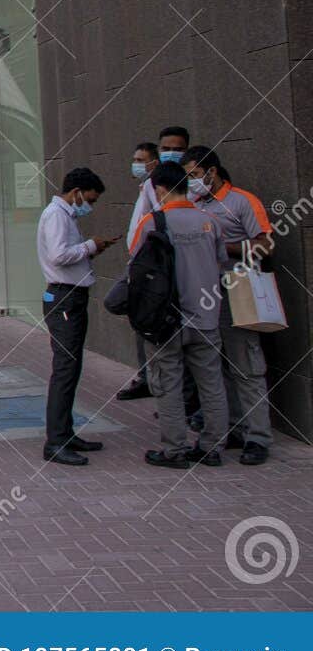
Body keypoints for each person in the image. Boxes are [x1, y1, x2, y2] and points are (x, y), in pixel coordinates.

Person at [128, 161, 231, 468]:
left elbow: (135, 265)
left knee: (168, 385)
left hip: (165, 321)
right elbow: (221, 261)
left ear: (159, 189)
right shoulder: (210, 220)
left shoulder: (151, 222)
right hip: (206, 316)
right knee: (212, 384)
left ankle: (175, 450)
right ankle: (212, 448)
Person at [184, 146, 274, 465]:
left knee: (246, 365)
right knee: (219, 365)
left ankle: (258, 437)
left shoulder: (242, 201)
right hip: (206, 293)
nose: (191, 182)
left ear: (212, 171)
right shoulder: (195, 203)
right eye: (187, 177)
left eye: (195, 175)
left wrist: (224, 247)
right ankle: (236, 427)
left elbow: (265, 244)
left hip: (238, 288)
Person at [37, 167, 118, 466]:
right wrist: (90, 245)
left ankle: (65, 433)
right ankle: (56, 442)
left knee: (71, 368)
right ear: (76, 193)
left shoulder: (64, 215)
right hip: (64, 299)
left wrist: (90, 250)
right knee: (65, 370)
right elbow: (58, 255)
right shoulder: (57, 215)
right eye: (90, 200)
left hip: (70, 297)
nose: (90, 206)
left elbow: (66, 255)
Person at [116, 141, 163, 401]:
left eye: (140, 160)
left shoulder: (156, 187)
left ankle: (154, 380)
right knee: (138, 318)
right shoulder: (145, 186)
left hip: (149, 268)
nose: (135, 164)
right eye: (134, 159)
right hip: (139, 263)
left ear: (154, 162)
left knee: (139, 315)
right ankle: (147, 376)